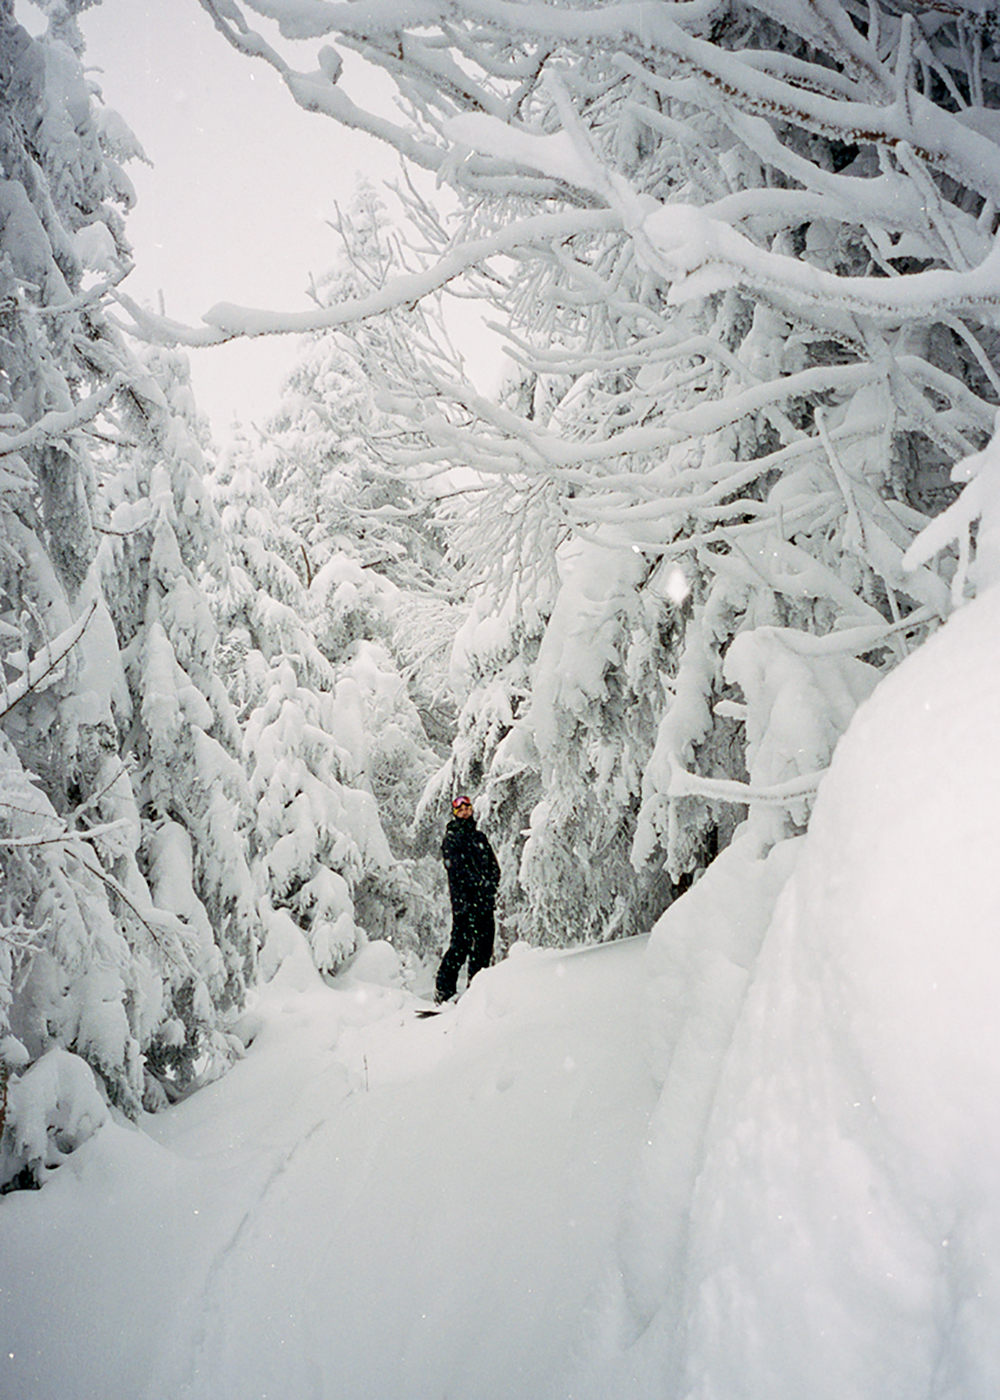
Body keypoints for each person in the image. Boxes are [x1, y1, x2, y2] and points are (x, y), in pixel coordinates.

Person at [435, 794, 500, 1003]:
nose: (465, 812)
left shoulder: (479, 838)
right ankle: (444, 990)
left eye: (467, 808)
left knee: (483, 948)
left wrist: (490, 883)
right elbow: (457, 871)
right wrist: (480, 884)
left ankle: (476, 991)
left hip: (484, 904)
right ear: (455, 813)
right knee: (460, 947)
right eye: (460, 809)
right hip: (464, 905)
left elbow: (494, 867)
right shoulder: (452, 839)